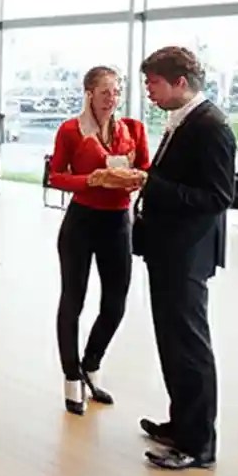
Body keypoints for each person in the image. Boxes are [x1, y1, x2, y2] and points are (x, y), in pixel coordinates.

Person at [127, 46, 234, 470]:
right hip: (169, 250)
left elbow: (217, 197)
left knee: (189, 346)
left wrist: (151, 185)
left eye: (152, 83)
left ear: (180, 82)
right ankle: (182, 423)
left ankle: (199, 444)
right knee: (172, 342)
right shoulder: (187, 120)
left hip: (186, 255)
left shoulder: (211, 127)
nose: (148, 92)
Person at [47, 66, 150, 416]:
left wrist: (134, 179)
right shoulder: (71, 131)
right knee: (73, 300)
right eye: (105, 91)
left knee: (116, 302)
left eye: (117, 91)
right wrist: (92, 180)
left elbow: (148, 171)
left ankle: (92, 363)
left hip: (118, 223)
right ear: (89, 93)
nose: (112, 98)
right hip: (81, 222)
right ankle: (71, 376)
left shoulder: (133, 129)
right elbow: (56, 177)